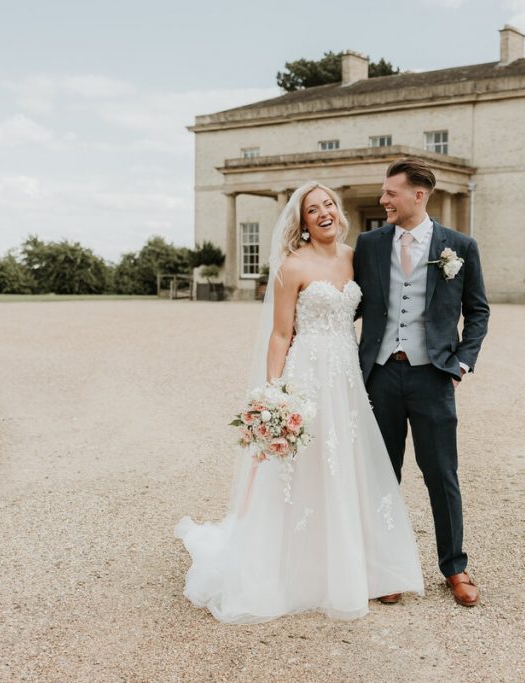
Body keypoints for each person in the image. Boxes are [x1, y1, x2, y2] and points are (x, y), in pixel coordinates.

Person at [174, 182, 424, 624]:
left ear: (338, 211)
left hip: (348, 376)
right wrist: (274, 393)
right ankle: (293, 568)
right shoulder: (292, 266)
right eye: (313, 209)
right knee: (303, 467)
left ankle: (355, 566)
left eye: (328, 204)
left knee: (347, 464)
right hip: (308, 374)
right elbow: (280, 333)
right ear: (303, 221)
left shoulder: (355, 257)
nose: (324, 212)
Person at [354, 158, 490, 607]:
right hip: (379, 376)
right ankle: (387, 568)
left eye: (391, 193)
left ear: (419, 194)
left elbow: (478, 312)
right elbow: (352, 303)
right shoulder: (369, 244)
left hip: (433, 375)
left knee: (441, 474)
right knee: (382, 475)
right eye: (383, 192)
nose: (382, 200)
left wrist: (461, 365)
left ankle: (455, 567)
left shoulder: (460, 247)